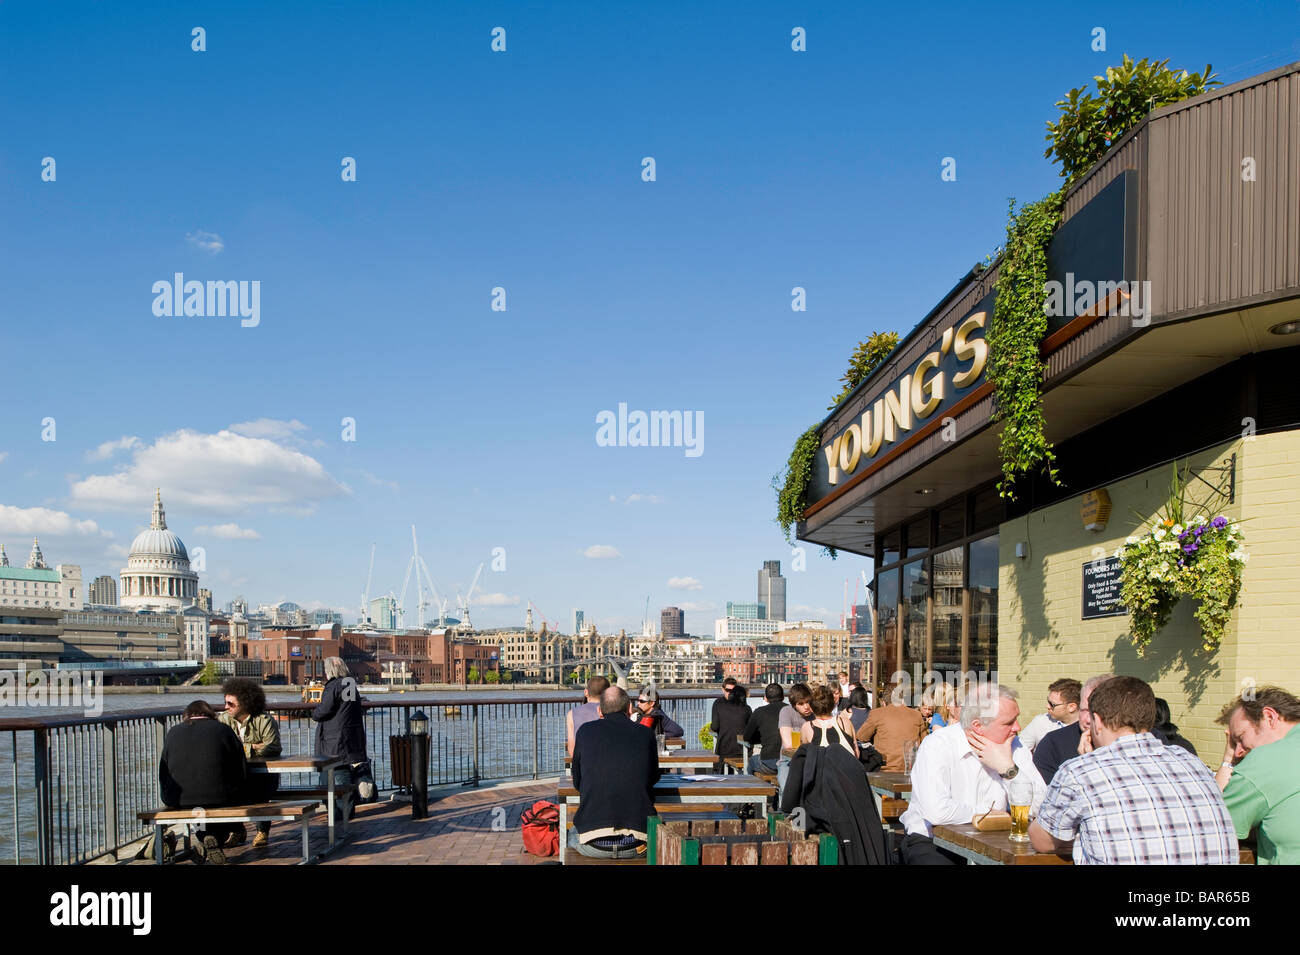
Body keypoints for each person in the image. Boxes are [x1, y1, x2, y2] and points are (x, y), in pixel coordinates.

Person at [1030, 676, 1236, 864]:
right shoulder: (1191, 762)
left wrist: (1089, 762)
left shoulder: (1079, 771)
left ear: (1098, 722)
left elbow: (1042, 841)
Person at [899, 684, 1046, 865]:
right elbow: (937, 812)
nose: (1018, 727)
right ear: (977, 726)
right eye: (1009, 722)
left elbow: (1042, 807)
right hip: (933, 842)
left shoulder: (1015, 745)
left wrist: (1008, 769)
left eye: (1017, 719)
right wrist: (993, 814)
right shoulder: (938, 744)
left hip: (998, 842)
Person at [781, 686, 889, 865]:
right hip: (852, 790)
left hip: (824, 795)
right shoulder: (844, 722)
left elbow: (807, 762)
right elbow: (856, 755)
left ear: (813, 707)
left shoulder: (808, 728)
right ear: (833, 705)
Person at [570, 686, 661, 859]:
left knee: (570, 833)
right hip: (637, 843)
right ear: (629, 709)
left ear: (599, 711)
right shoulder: (645, 734)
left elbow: (577, 782)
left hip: (593, 843)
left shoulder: (584, 732)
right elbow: (653, 777)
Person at [1214, 685, 1300, 865]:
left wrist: (1228, 759)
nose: (1238, 751)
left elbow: (1215, 823)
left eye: (1240, 737)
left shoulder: (1265, 761)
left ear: (1269, 717)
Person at [159, 700, 246, 864]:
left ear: (187, 716)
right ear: (210, 714)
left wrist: (166, 795)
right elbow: (240, 766)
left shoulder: (173, 732)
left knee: (198, 806)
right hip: (221, 796)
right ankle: (214, 839)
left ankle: (204, 836)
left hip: (180, 798)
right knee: (219, 802)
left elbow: (164, 770)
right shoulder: (224, 730)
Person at [219, 677, 283, 848]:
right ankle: (237, 830)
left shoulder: (264, 720)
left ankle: (262, 830)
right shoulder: (223, 720)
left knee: (260, 791)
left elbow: (273, 747)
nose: (226, 707)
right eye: (225, 703)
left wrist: (241, 748)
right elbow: (220, 747)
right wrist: (253, 747)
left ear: (245, 703)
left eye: (230, 704)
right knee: (225, 791)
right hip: (237, 772)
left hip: (264, 774)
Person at [311, 657, 368, 819]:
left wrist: (314, 713)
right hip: (349, 737)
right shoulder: (349, 683)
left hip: (334, 739)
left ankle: (340, 814)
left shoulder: (333, 686)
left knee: (335, 773)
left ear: (330, 671)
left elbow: (323, 710)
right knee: (343, 775)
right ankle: (345, 812)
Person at [1033, 673, 1112, 785]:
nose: (1089, 719)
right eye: (1084, 710)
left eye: (1098, 712)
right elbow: (1047, 796)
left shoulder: (1132, 745)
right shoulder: (1053, 744)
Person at [854, 683, 926, 772]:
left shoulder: (877, 713)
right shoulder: (916, 715)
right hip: (911, 769)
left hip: (885, 769)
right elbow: (925, 741)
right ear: (903, 700)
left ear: (884, 702)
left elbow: (861, 736)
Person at [1018, 678, 1081, 752]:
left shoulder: (1088, 727)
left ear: (1071, 707)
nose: (1047, 706)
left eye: (1052, 704)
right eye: (1048, 701)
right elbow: (1019, 749)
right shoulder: (1040, 722)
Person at [778, 683, 814, 801]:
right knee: (788, 790)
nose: (806, 707)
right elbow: (788, 745)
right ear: (794, 705)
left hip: (812, 763)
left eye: (808, 702)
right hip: (788, 762)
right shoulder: (786, 712)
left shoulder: (816, 713)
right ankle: (787, 817)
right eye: (801, 704)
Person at [742, 683, 786, 773]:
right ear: (783, 696)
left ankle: (752, 786)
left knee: (752, 761)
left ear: (765, 698)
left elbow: (746, 737)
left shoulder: (759, 712)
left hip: (769, 761)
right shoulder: (791, 710)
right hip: (789, 761)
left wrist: (761, 737)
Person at [710, 681, 752, 772]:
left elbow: (714, 727)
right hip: (742, 751)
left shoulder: (719, 705)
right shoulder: (747, 709)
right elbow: (750, 729)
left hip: (724, 750)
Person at [566, 675, 610, 757]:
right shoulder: (612, 711)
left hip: (583, 764)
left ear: (586, 692)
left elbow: (571, 748)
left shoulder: (572, 713)